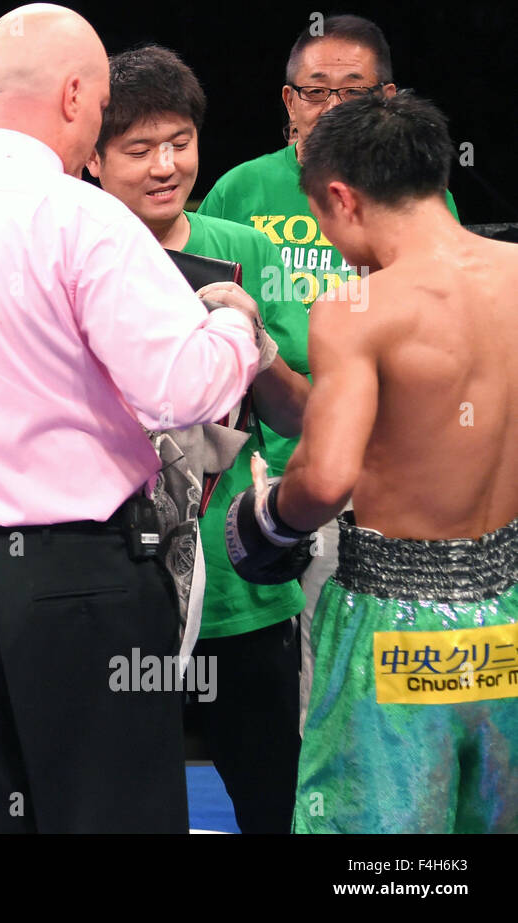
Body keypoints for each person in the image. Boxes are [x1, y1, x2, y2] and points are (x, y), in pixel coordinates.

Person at [0, 5, 264, 833]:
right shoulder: (82, 218)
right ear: (78, 95)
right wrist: (232, 320)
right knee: (107, 814)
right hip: (73, 582)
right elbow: (182, 389)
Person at [224, 92, 518, 833]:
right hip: (508, 617)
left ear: (341, 198)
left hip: (394, 623)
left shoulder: (360, 307)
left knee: (379, 859)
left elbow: (325, 479)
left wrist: (262, 517)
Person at [197, 14, 459, 725]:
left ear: (389, 98)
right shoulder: (238, 192)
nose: (333, 109)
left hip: (390, 481)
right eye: (317, 92)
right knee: (321, 698)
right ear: (289, 102)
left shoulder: (419, 198)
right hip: (279, 471)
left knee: (392, 702)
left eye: (353, 92)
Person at [85, 45, 311, 833]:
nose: (165, 164)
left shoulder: (250, 250)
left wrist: (261, 349)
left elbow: (300, 416)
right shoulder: (72, 253)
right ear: (92, 157)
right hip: (115, 589)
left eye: (179, 141)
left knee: (277, 804)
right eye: (139, 148)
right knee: (125, 810)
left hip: (242, 591)